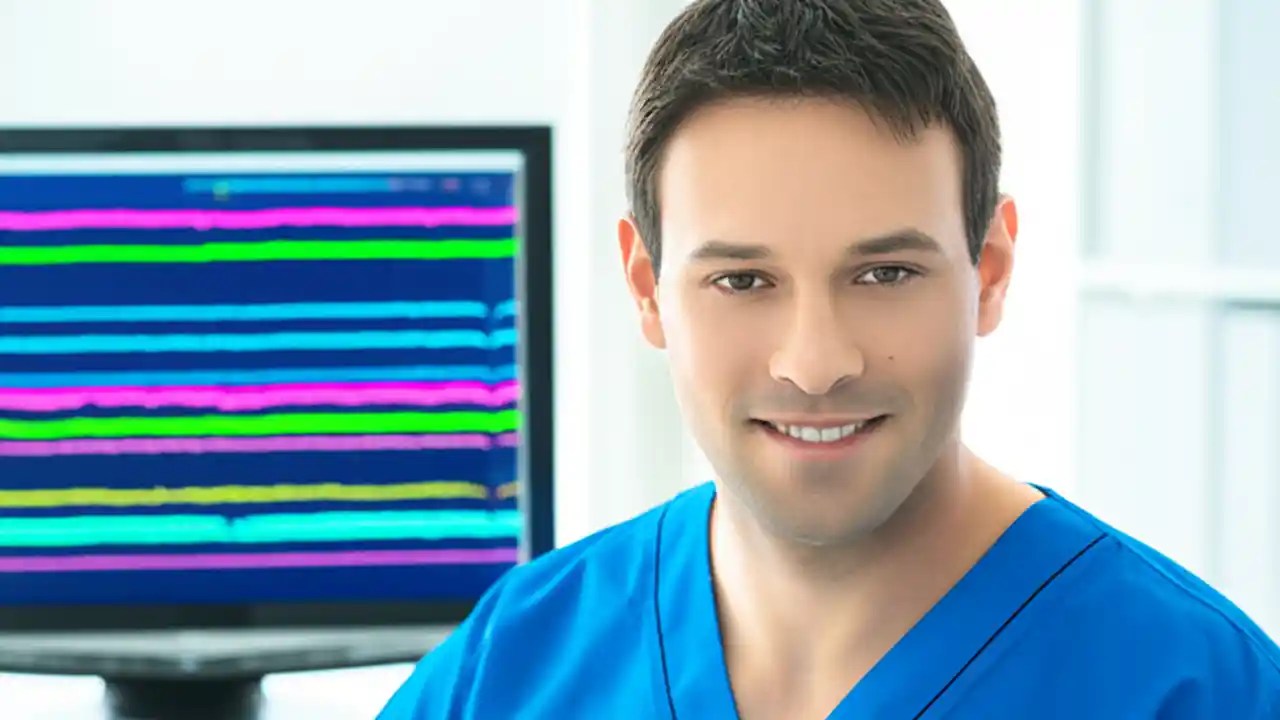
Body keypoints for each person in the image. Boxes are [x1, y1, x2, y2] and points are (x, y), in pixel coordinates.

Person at [379, 0, 1280, 717]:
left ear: (990, 271)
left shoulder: (1195, 689)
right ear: (648, 288)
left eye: (884, 272)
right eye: (742, 281)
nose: (815, 365)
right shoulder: (514, 664)